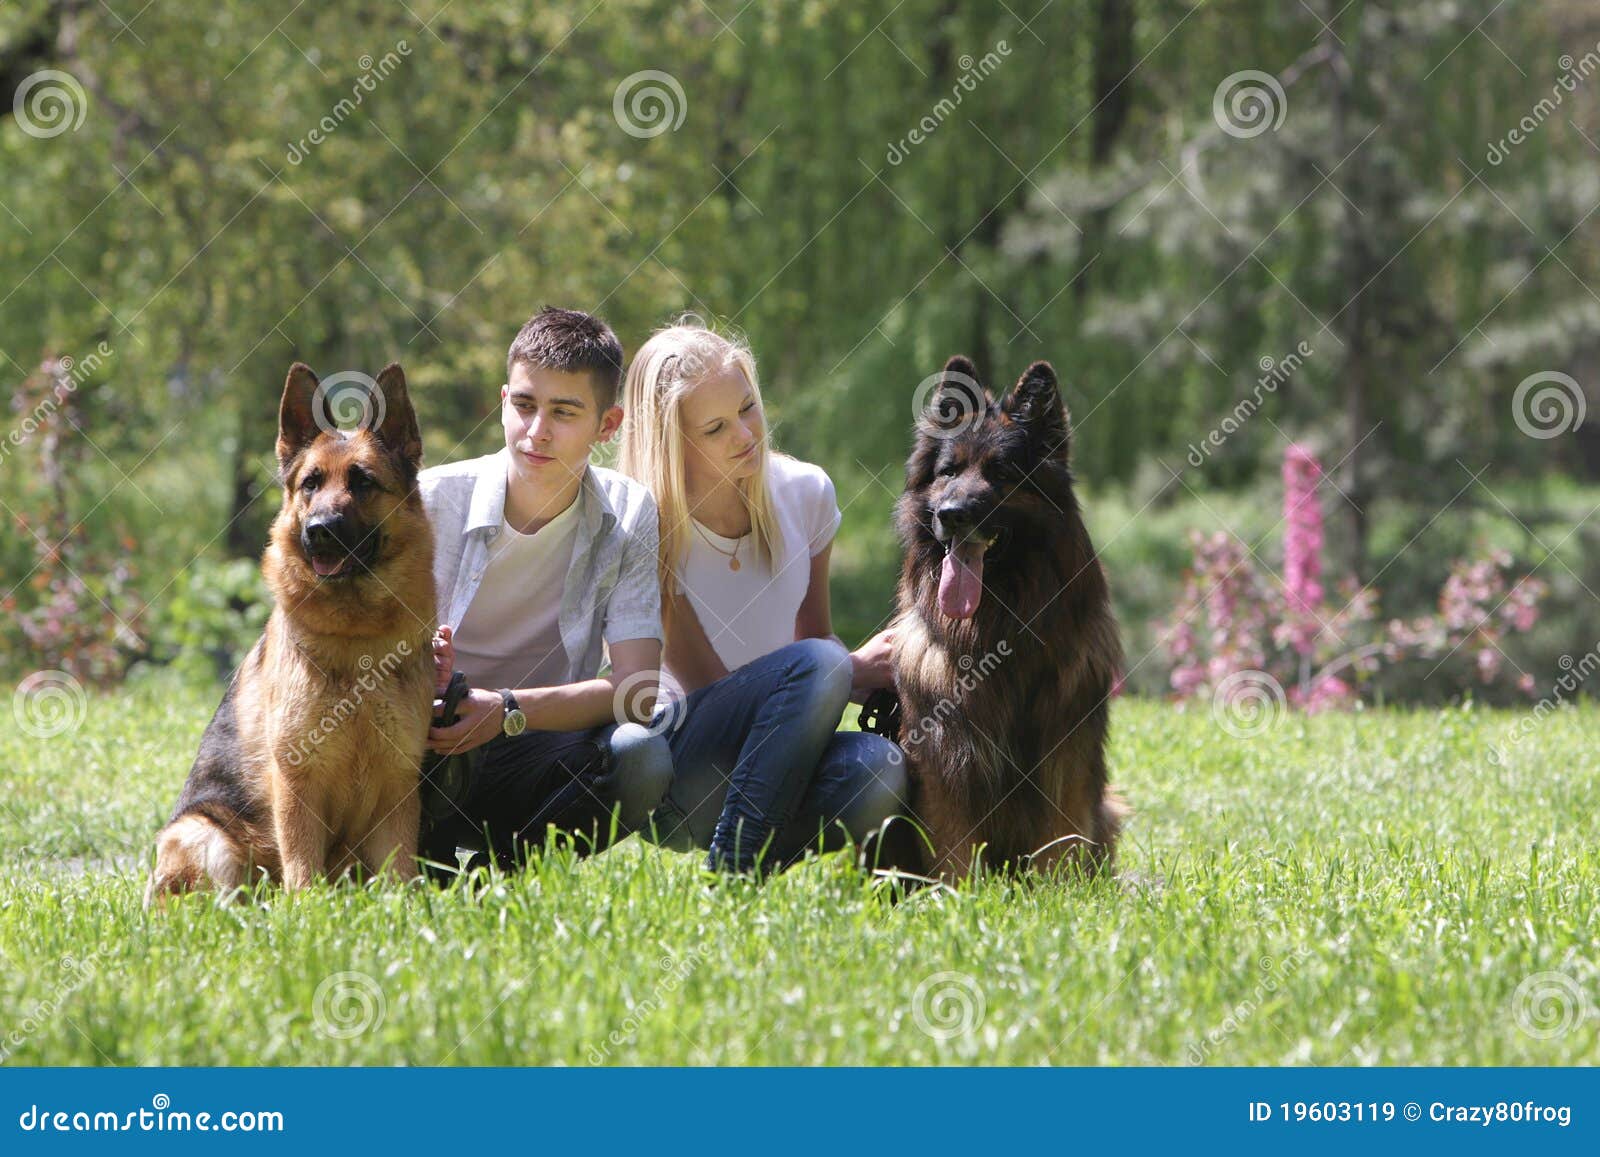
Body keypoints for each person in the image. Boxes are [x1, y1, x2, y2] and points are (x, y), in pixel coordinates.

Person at [618, 319, 910, 875]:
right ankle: (733, 873)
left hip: (777, 761)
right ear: (671, 441)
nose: (746, 435)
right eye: (715, 428)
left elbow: (813, 635)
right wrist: (848, 669)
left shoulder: (806, 493)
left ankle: (748, 848)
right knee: (824, 664)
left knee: (880, 767)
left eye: (748, 408)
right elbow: (717, 687)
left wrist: (878, 672)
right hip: (681, 771)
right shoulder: (644, 527)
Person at [419, 306, 671, 873]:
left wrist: (506, 710)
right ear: (504, 399)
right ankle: (418, 859)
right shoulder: (429, 500)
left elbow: (639, 692)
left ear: (607, 426)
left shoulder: (630, 514)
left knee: (641, 756)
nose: (536, 432)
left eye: (563, 413)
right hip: (418, 747)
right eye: (525, 406)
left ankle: (510, 871)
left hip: (537, 748)